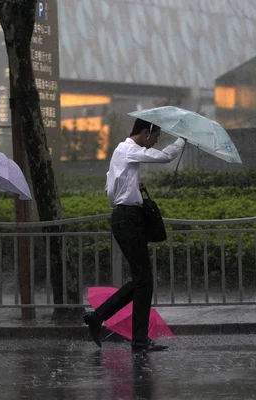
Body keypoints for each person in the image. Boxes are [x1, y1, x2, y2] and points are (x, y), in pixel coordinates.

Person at [83, 118, 186, 352]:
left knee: (142, 281)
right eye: (156, 135)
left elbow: (111, 192)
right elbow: (165, 157)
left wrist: (132, 189)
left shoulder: (122, 153)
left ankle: (103, 320)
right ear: (145, 132)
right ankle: (132, 336)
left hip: (125, 218)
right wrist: (182, 140)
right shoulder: (129, 149)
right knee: (143, 281)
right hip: (127, 219)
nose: (157, 140)